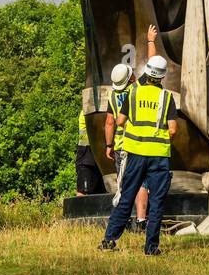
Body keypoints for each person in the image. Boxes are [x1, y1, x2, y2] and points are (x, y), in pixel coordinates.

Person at [99, 55, 177, 255]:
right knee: (157, 202)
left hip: (135, 153)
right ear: (162, 76)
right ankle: (151, 248)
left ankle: (109, 241)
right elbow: (173, 130)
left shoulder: (133, 92)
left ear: (147, 72)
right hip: (159, 155)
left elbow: (120, 121)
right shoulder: (166, 98)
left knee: (127, 196)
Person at [104, 25, 159, 232]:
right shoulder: (137, 89)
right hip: (137, 144)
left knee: (122, 183)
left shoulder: (112, 95)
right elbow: (152, 65)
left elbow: (109, 122)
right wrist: (151, 41)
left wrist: (109, 145)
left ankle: (121, 220)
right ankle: (142, 220)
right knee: (142, 183)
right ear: (131, 78)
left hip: (119, 146)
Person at [75, 107, 103, 197]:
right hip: (86, 153)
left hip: (99, 153)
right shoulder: (87, 112)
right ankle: (80, 211)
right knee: (83, 191)